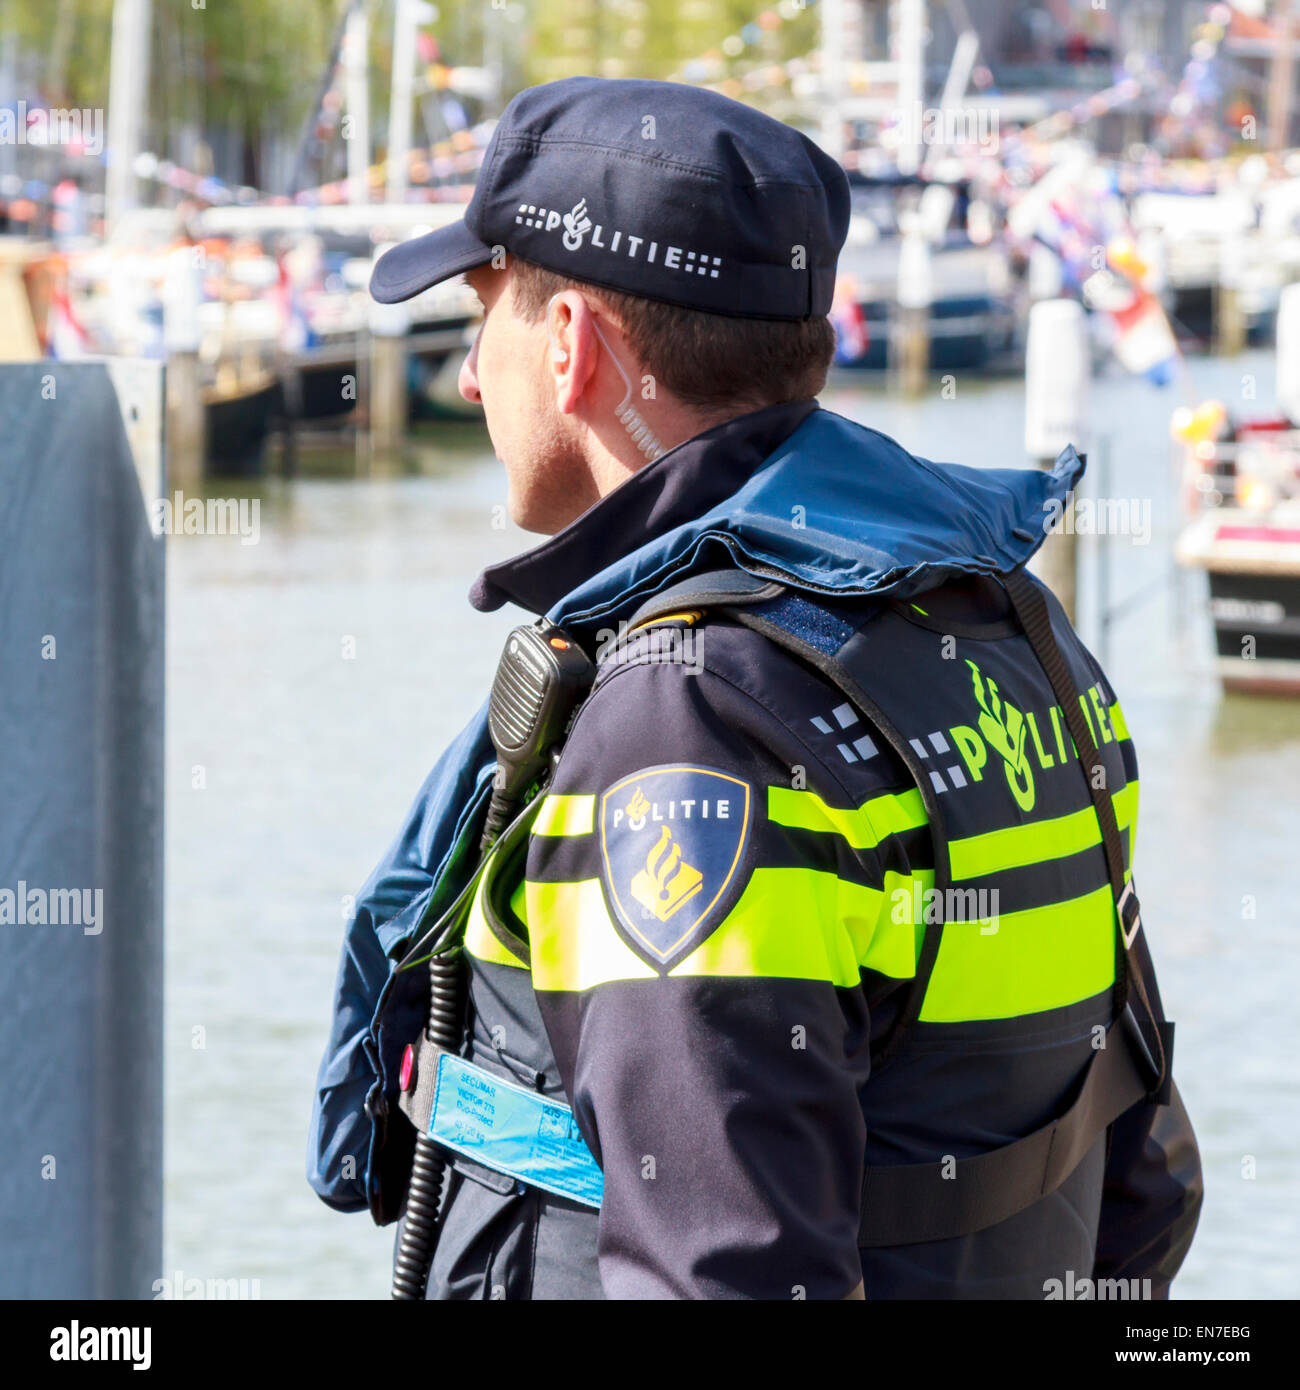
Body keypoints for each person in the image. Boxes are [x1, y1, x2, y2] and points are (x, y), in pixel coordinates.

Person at [309, 76, 1201, 1300]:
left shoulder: (690, 717)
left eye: (484, 314)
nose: (470, 377)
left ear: (569, 347)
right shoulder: (1012, 627)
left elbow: (719, 1276)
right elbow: (1141, 1179)